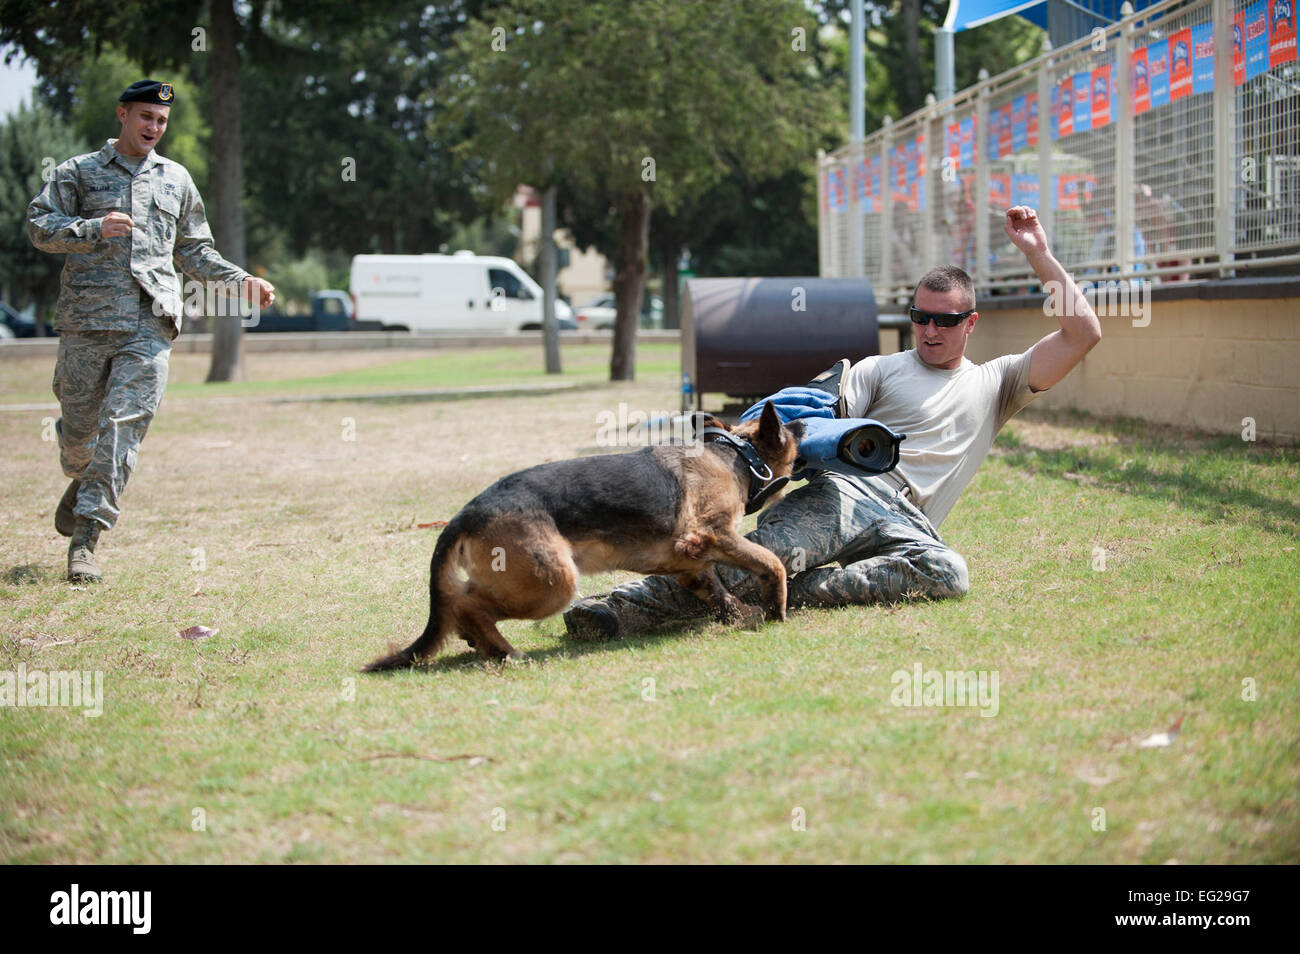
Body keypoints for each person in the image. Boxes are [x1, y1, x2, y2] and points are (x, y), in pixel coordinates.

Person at [564, 206, 1101, 639]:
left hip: (911, 527)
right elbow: (822, 427)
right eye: (920, 317)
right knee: (762, 556)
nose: (930, 330)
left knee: (949, 574)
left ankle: (792, 588)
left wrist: (1040, 255)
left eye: (946, 320)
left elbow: (1083, 336)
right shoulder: (880, 369)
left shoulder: (999, 382)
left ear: (972, 323)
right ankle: (618, 607)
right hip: (847, 496)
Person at [27, 79, 275, 583]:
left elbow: (194, 251)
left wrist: (242, 281)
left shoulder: (175, 179)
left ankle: (86, 541)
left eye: (161, 121)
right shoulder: (78, 172)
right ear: (122, 115)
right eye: (145, 117)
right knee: (80, 436)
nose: (153, 128)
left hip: (150, 323)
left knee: (123, 426)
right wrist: (90, 228)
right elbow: (38, 226)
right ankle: (81, 477)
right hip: (87, 322)